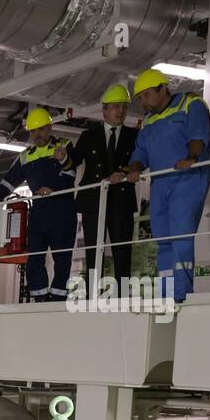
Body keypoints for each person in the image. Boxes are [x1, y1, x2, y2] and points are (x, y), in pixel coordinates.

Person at [127, 68, 210, 303]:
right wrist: (133, 169)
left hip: (188, 178)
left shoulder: (190, 104)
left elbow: (198, 135)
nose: (143, 102)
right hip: (160, 184)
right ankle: (165, 291)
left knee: (181, 235)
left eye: (146, 96)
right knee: (162, 239)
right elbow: (140, 152)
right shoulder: (149, 121)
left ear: (163, 89)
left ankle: (181, 294)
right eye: (140, 98)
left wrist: (192, 158)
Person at [0, 108, 78, 302]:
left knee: (62, 260)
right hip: (38, 215)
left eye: (42, 129)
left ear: (50, 127)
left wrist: (55, 185)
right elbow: (9, 182)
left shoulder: (64, 146)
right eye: (33, 131)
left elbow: (70, 176)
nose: (37, 135)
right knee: (34, 260)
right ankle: (41, 299)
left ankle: (58, 299)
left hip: (62, 211)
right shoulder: (26, 156)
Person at [70, 83, 138, 281]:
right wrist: (63, 156)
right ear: (105, 110)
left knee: (122, 253)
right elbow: (72, 162)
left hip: (122, 201)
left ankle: (122, 299)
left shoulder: (134, 136)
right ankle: (92, 299)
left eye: (124, 106)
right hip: (93, 202)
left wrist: (122, 173)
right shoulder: (88, 136)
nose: (121, 111)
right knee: (93, 253)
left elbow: (140, 162)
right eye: (116, 106)